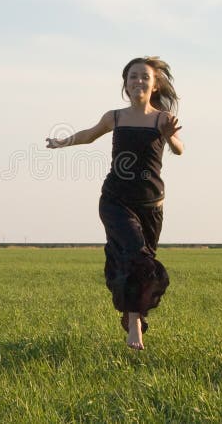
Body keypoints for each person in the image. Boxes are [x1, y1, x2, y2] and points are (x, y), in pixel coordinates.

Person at [46, 56, 183, 350]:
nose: (138, 82)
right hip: (115, 201)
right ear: (125, 83)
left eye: (144, 77)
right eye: (132, 77)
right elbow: (89, 135)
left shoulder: (161, 119)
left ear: (155, 83)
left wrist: (171, 138)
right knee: (135, 253)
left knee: (140, 266)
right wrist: (62, 142)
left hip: (151, 206)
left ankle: (133, 318)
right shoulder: (116, 117)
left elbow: (179, 149)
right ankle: (135, 327)